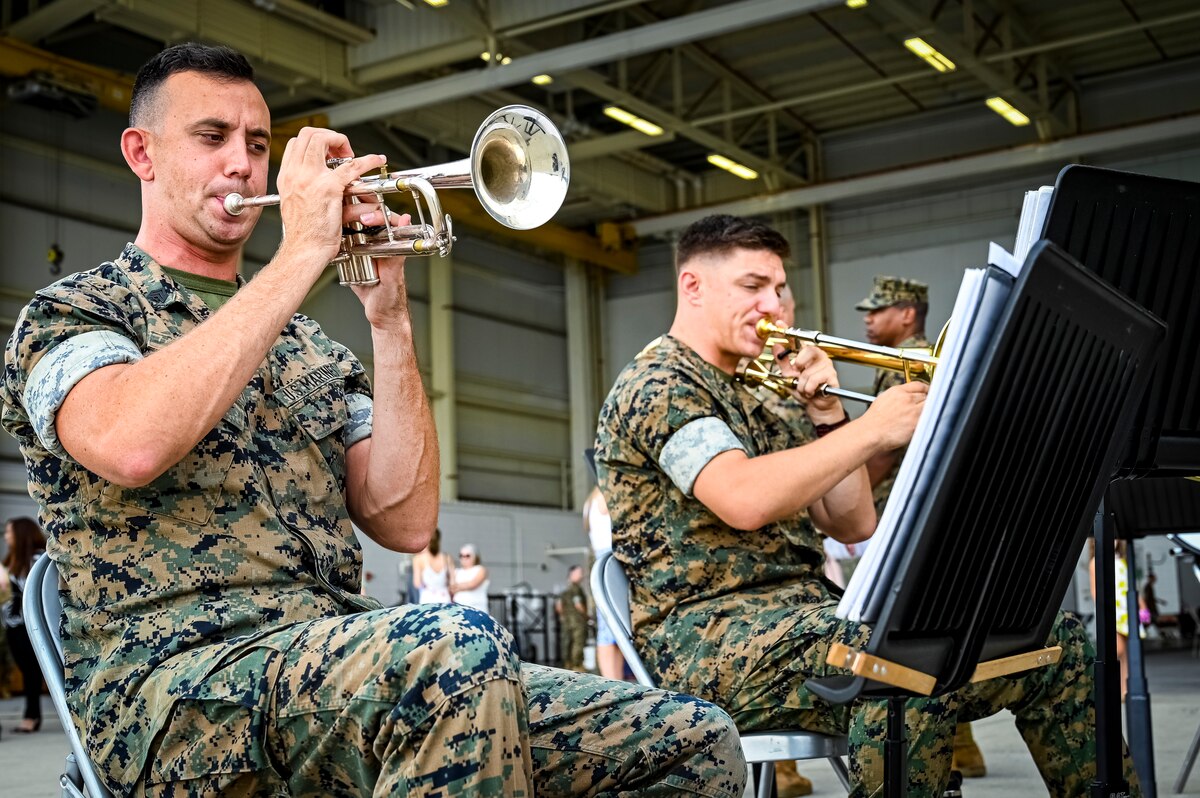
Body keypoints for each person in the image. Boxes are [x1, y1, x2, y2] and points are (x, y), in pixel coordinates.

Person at [0, 43, 746, 797]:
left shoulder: (308, 347)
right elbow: (131, 445)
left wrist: (389, 318)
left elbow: (405, 519)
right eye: (211, 137)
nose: (242, 164)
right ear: (143, 153)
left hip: (336, 664)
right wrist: (302, 253)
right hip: (172, 695)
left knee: (691, 737)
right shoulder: (76, 314)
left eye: (258, 145)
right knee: (450, 656)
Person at [595, 213, 1137, 798]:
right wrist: (873, 431)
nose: (774, 306)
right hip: (711, 640)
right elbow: (743, 498)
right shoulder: (661, 382)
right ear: (692, 287)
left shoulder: (762, 392)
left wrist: (829, 417)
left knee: (1052, 641)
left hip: (804, 621)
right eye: (753, 287)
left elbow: (853, 520)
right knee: (903, 654)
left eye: (781, 289)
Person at [857, 275, 987, 779]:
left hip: (905, 515)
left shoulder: (903, 363)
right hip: (939, 512)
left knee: (903, 633)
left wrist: (851, 496)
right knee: (941, 625)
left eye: (878, 310)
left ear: (909, 314)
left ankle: (943, 750)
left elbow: (883, 448)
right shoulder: (927, 357)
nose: (867, 318)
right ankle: (963, 747)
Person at [0, 517, 47, 734]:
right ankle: (31, 714)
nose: (6, 536)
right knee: (27, 669)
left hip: (28, 624)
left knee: (31, 671)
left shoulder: (37, 558)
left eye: (9, 532)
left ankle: (32, 716)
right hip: (13, 624)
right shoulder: (14, 559)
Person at [582, 482, 628, 680]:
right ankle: (612, 680)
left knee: (613, 627)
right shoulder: (604, 494)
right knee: (608, 627)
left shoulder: (592, 499)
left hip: (605, 558)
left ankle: (616, 680)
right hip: (610, 558)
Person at [556, 565, 589, 671]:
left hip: (567, 622)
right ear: (572, 574)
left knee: (567, 643)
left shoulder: (565, 589)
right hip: (577, 621)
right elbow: (578, 604)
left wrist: (563, 616)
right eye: (579, 572)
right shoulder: (576, 588)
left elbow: (559, 606)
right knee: (578, 642)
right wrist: (586, 616)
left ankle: (568, 664)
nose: (582, 575)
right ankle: (577, 665)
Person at [411, 527, 453, 603]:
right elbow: (453, 582)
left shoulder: (418, 559)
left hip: (428, 598)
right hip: (444, 597)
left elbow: (417, 583)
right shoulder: (447, 557)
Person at [452, 544, 491, 615]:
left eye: (467, 556)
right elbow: (451, 588)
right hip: (459, 610)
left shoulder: (481, 569)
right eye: (461, 555)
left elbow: (473, 584)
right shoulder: (456, 571)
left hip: (478, 609)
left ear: (475, 557)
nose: (464, 558)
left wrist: (457, 586)